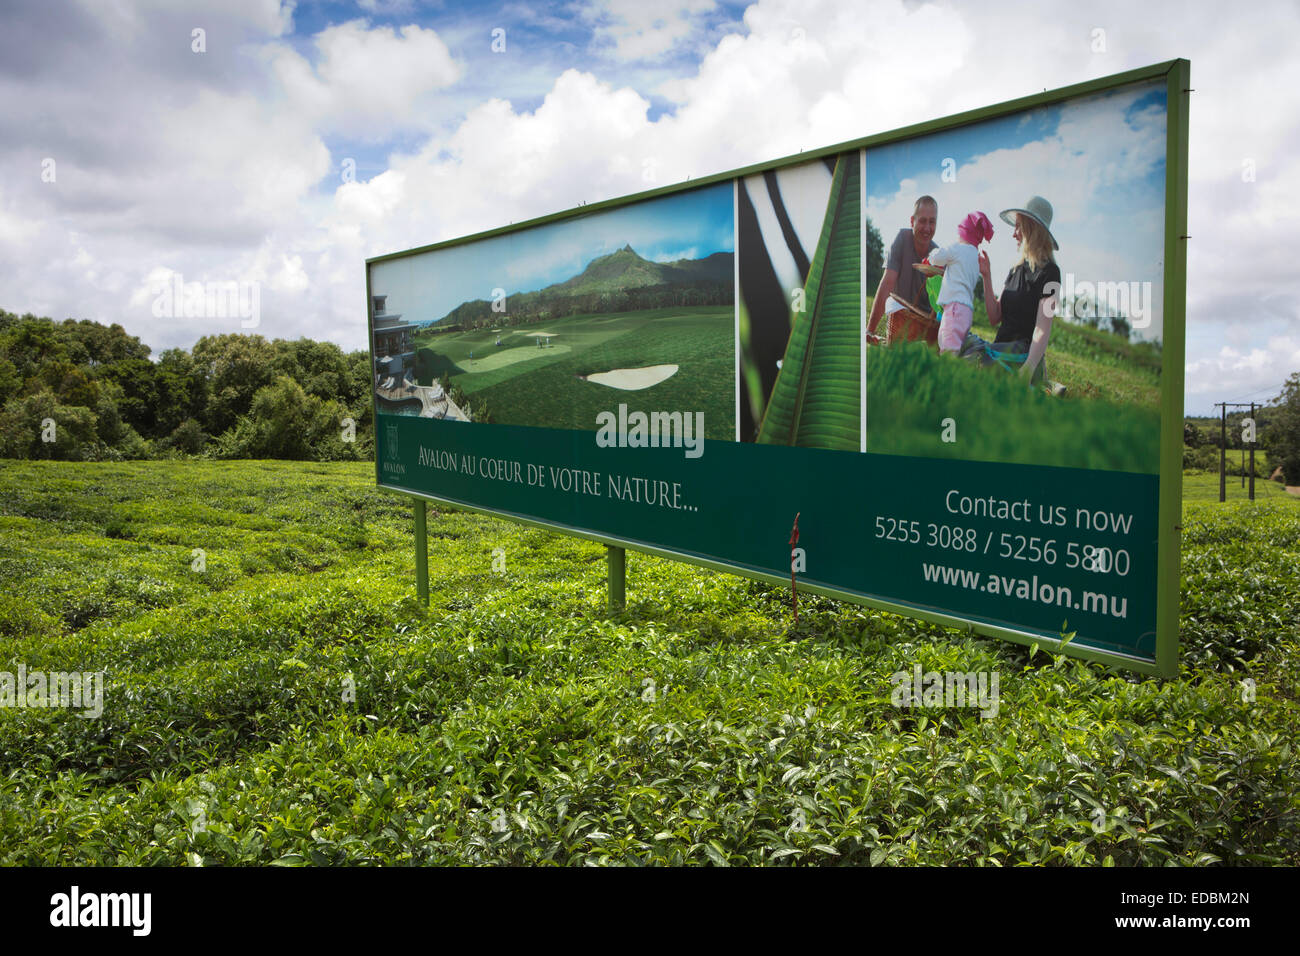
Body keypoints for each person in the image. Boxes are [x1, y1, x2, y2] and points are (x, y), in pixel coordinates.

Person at [965, 195, 1062, 390]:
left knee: (972, 357)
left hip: (1023, 354)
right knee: (960, 340)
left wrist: (1028, 369)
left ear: (1031, 229)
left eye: (1018, 227)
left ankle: (1033, 378)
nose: (1014, 234)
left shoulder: (1051, 273)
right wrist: (987, 276)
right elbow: (995, 317)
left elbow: (1043, 328)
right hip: (999, 350)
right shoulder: (1016, 269)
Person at [867, 196, 938, 337]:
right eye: (923, 221)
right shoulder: (902, 238)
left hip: (924, 325)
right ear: (912, 221)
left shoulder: (938, 256)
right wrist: (870, 330)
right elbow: (887, 283)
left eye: (932, 222)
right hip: (898, 320)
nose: (927, 228)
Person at [927, 211, 994, 353]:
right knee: (954, 345)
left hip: (954, 309)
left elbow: (938, 257)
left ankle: (947, 372)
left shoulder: (957, 248)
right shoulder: (975, 258)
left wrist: (931, 255)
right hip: (966, 312)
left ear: (963, 234)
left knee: (948, 348)